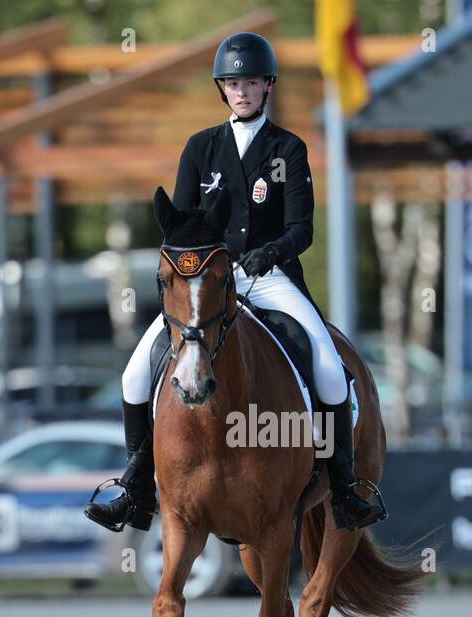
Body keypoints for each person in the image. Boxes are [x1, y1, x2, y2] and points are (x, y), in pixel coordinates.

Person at [85, 31, 386, 533]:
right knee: (135, 374)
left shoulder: (287, 148)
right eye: (232, 83)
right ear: (221, 89)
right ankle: (135, 489)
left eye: (250, 83)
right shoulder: (200, 148)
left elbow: (302, 229)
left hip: (270, 279)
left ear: (267, 86)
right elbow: (180, 223)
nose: (241, 92)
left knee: (330, 369)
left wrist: (268, 254)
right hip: (206, 284)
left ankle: (346, 487)